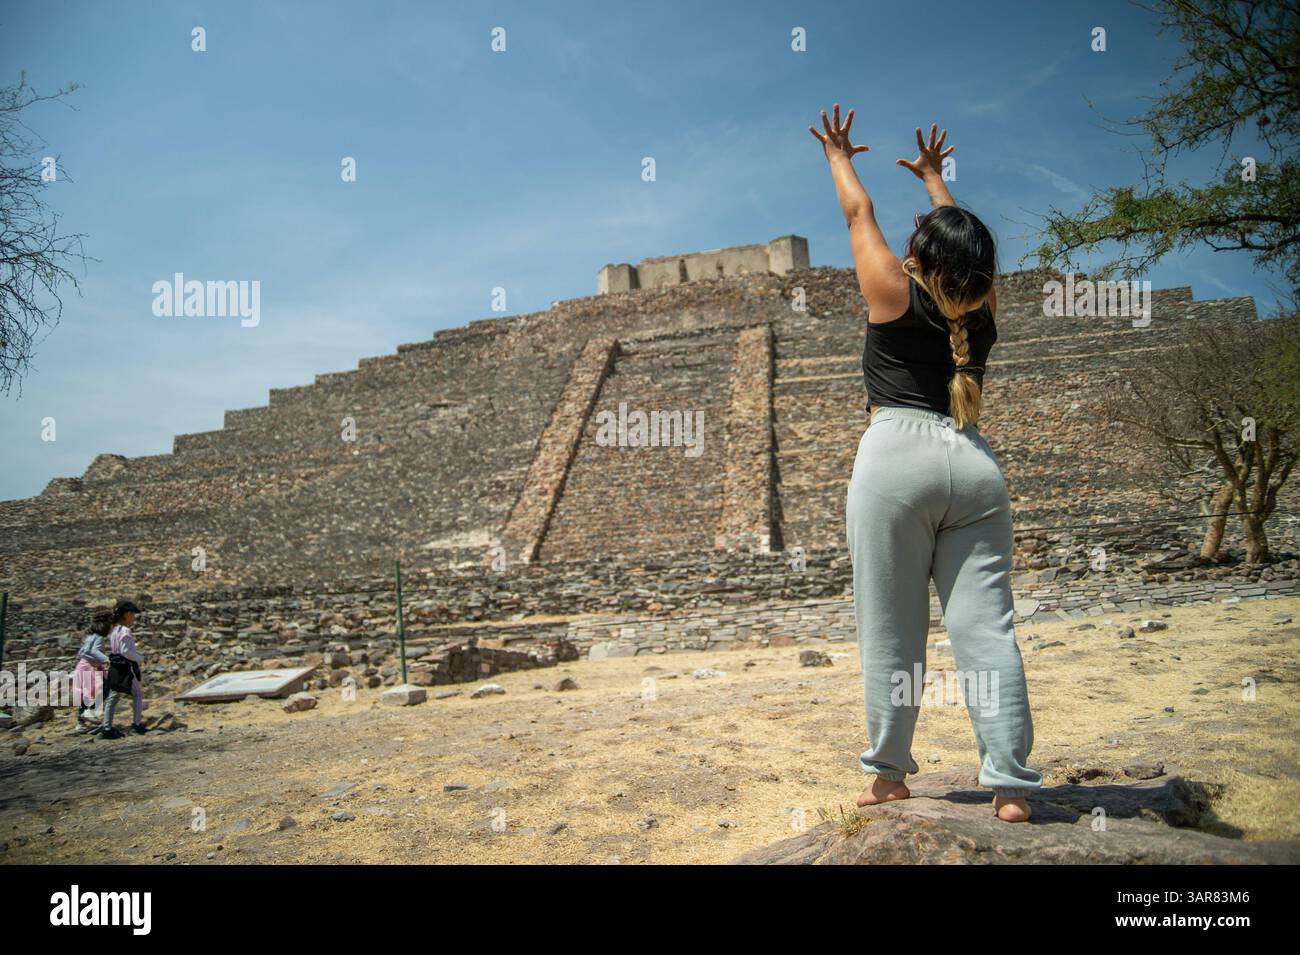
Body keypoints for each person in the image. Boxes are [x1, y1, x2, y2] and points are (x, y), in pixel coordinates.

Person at [810, 107, 1042, 822]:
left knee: (891, 627)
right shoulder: (983, 312)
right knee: (988, 628)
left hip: (894, 459)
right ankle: (1008, 784)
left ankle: (888, 776)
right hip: (973, 460)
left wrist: (839, 155)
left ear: (919, 253)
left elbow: (858, 209)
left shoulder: (889, 286)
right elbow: (969, 259)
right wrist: (941, 182)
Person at [98, 599, 146, 739]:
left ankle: (107, 727)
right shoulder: (125, 630)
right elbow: (126, 651)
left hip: (115, 665)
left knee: (113, 696)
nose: (134, 617)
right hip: (125, 666)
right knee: (137, 693)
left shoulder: (113, 631)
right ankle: (136, 724)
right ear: (127, 614)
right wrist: (140, 658)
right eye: (132, 614)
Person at [71, 611, 112, 730]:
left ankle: (81, 723)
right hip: (90, 668)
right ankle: (90, 711)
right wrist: (107, 660)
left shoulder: (90, 637)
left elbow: (82, 652)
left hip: (83, 666)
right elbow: (94, 651)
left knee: (85, 694)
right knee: (105, 689)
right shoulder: (99, 638)